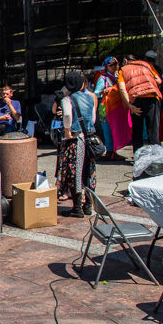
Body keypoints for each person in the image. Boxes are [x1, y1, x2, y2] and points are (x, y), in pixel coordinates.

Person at [58, 71, 98, 218]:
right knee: (89, 171)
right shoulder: (90, 97)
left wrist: (67, 131)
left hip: (75, 139)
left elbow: (67, 115)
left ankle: (77, 208)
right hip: (89, 138)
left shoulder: (67, 99)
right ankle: (88, 205)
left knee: (75, 172)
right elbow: (93, 119)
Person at [117, 51, 162, 153]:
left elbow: (122, 89)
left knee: (137, 131)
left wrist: (129, 105)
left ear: (125, 61)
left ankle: (138, 156)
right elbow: (159, 81)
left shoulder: (123, 70)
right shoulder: (146, 65)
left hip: (135, 99)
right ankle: (156, 156)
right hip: (152, 97)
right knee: (153, 131)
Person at [93, 58, 121, 159]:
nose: (114, 67)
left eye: (115, 64)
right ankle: (109, 151)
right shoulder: (103, 79)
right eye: (111, 65)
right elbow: (95, 93)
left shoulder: (118, 77)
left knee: (115, 130)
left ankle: (114, 151)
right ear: (106, 67)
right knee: (108, 131)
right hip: (106, 108)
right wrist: (102, 92)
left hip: (116, 108)